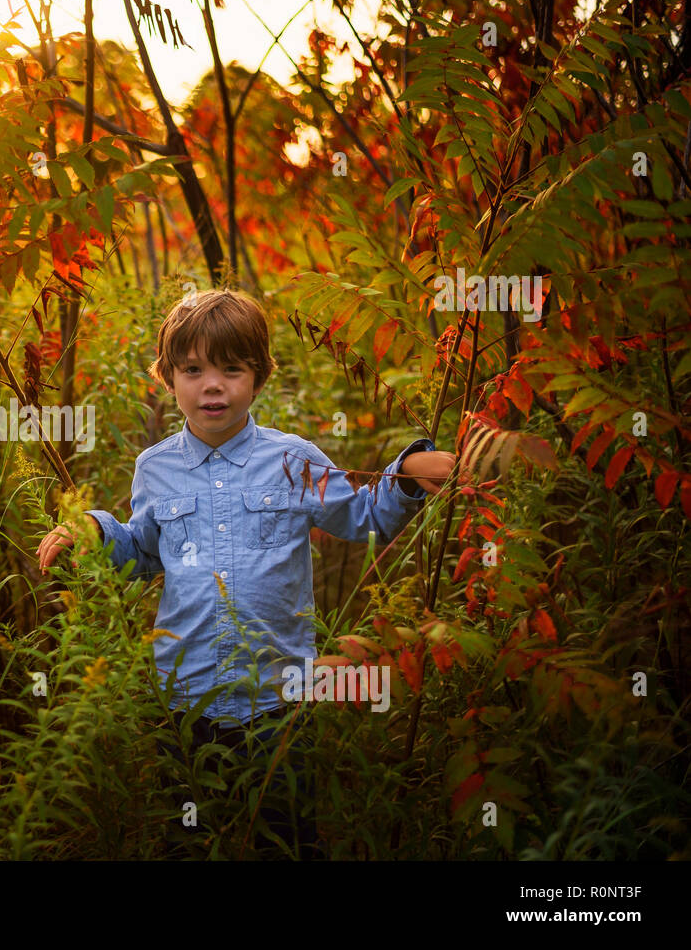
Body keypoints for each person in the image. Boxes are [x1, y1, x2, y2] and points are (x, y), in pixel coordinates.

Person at [36, 289, 457, 857]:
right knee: (189, 838)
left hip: (277, 698)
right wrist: (93, 529)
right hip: (185, 698)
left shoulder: (292, 459)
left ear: (257, 377)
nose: (213, 385)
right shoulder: (154, 467)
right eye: (193, 369)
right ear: (169, 377)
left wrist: (405, 473)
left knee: (283, 837)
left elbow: (360, 516)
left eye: (231, 369)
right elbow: (142, 555)